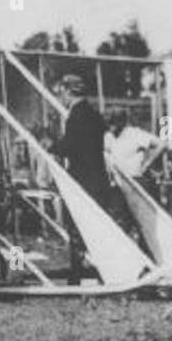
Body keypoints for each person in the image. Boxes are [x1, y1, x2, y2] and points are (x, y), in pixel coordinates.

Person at [54, 74, 109, 283]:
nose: (61, 98)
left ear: (69, 92)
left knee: (77, 227)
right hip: (98, 179)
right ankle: (99, 270)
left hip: (81, 180)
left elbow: (70, 147)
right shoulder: (94, 115)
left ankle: (77, 273)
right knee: (98, 227)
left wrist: (52, 146)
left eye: (62, 94)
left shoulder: (75, 116)